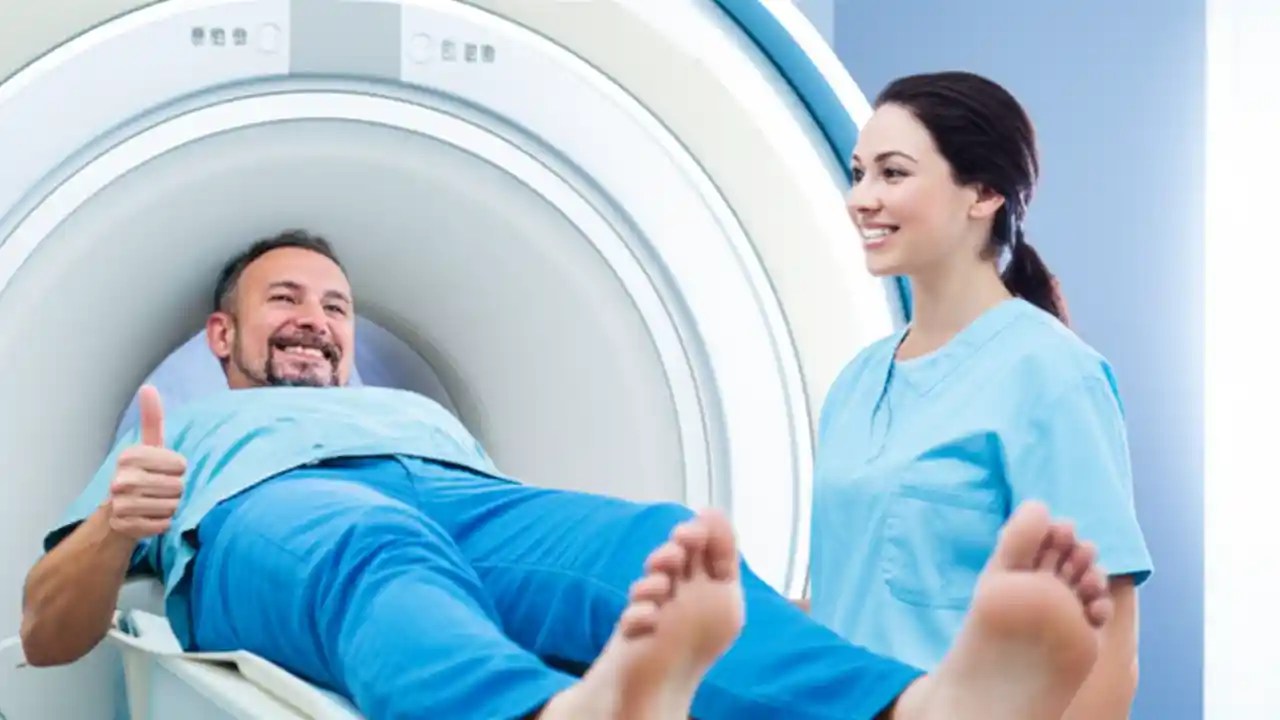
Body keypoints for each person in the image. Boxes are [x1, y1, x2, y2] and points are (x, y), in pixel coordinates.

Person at [22, 231, 1115, 720]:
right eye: (285, 300)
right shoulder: (186, 434)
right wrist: (118, 526)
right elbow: (47, 632)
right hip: (274, 512)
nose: (315, 319)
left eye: (335, 305)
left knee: (646, 541)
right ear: (222, 334)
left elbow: (523, 552)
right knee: (374, 549)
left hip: (463, 499)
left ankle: (911, 708)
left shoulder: (418, 411)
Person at [808, 71, 1153, 719]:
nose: (861, 199)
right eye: (858, 174)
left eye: (892, 173)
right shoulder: (855, 383)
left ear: (985, 193)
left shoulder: (1050, 376)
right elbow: (852, 608)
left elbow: (1106, 650)